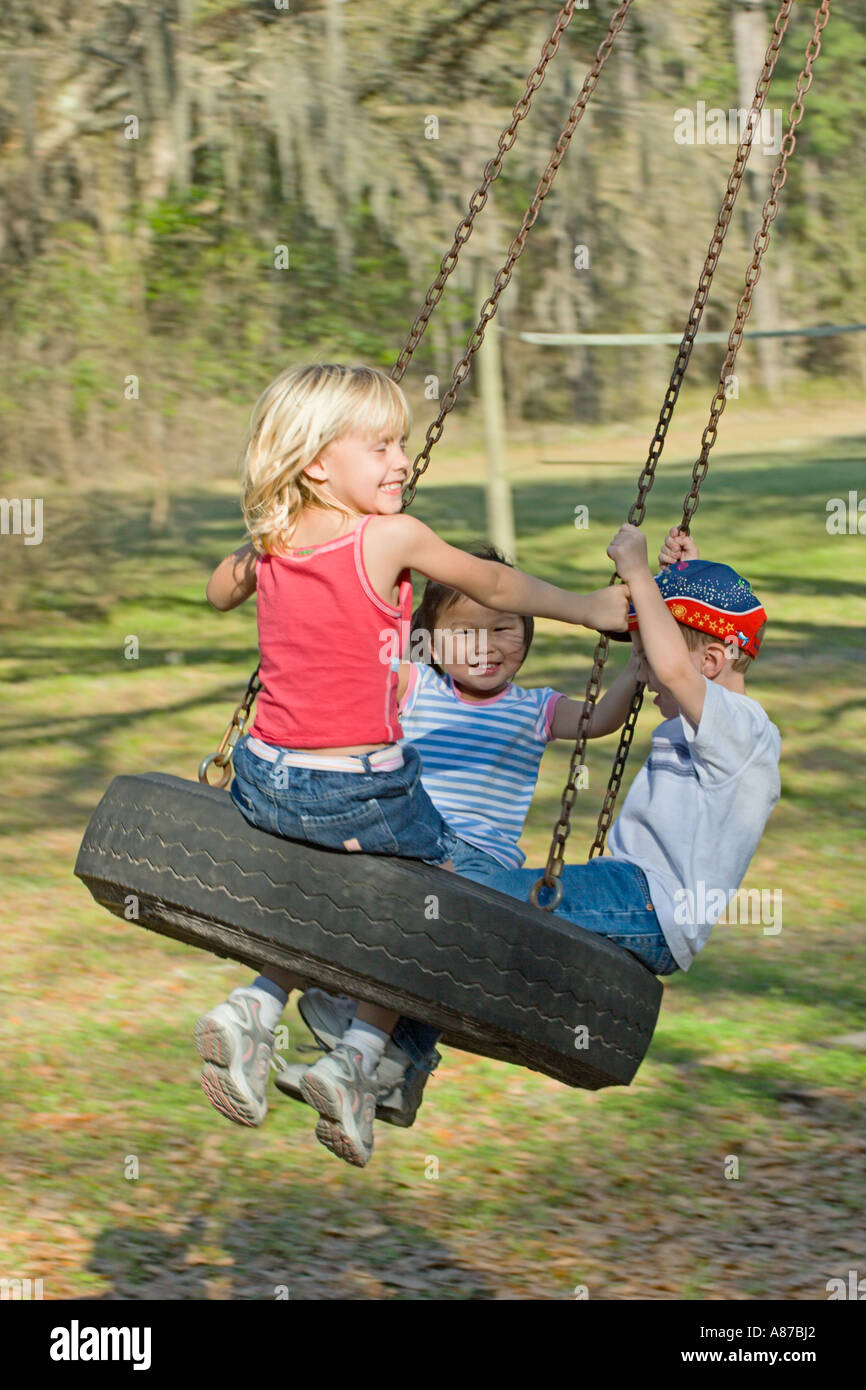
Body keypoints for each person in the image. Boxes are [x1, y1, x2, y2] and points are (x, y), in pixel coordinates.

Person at [194, 361, 629, 1167]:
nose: (401, 460)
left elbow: (221, 592)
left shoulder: (276, 540)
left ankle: (255, 1006)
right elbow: (492, 579)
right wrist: (590, 609)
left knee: (321, 878)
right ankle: (360, 1056)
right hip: (352, 786)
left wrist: (259, 549)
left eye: (402, 444)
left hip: (265, 779)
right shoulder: (389, 537)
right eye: (382, 445)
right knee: (439, 893)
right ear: (319, 461)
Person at [282, 524, 781, 1126]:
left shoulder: (745, 729)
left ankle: (367, 1035)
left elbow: (678, 669)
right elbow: (688, 653)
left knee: (458, 899)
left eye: (650, 657)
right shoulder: (714, 720)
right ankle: (391, 1064)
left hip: (648, 905)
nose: (645, 673)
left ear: (712, 661)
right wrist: (684, 577)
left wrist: (640, 573)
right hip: (627, 893)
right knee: (462, 913)